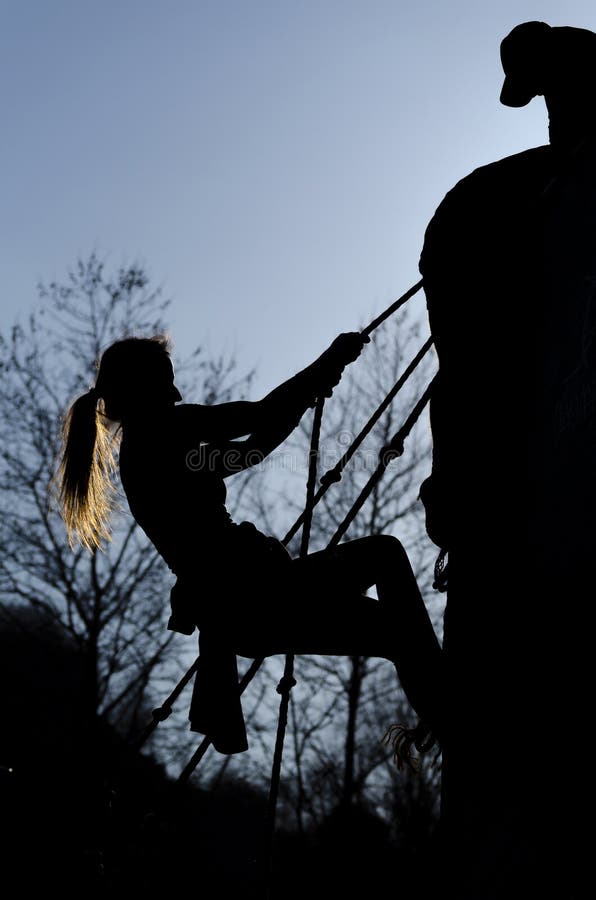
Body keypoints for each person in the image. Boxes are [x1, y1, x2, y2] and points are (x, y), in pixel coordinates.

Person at [56, 332, 443, 756]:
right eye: (167, 382)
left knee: (393, 628)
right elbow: (261, 416)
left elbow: (253, 448)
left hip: (248, 611)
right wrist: (327, 363)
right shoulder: (165, 429)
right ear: (143, 388)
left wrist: (311, 387)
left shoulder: (150, 452)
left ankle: (443, 712)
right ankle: (446, 710)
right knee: (384, 559)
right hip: (259, 596)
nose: (177, 392)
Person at [418, 20, 596, 896]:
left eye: (556, 99)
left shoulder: (497, 202)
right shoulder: (507, 199)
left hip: (512, 516)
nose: (552, 119)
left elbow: (463, 370)